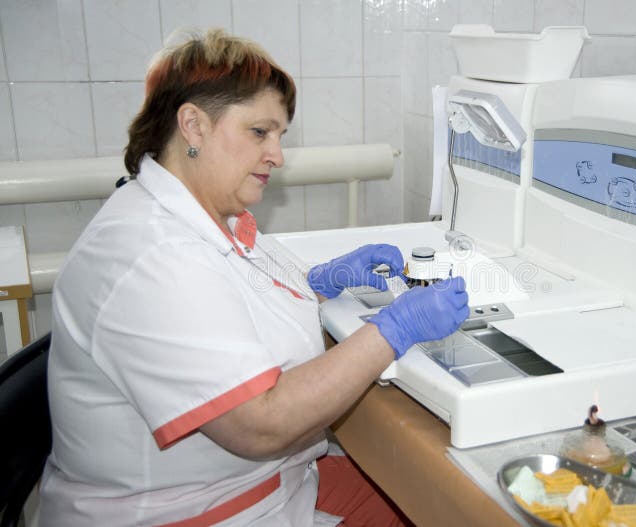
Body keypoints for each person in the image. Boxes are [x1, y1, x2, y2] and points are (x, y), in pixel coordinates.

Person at [39, 29, 468, 527]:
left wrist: (318, 284)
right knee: (444, 502)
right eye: (260, 132)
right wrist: (394, 330)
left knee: (425, 498)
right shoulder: (150, 254)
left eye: (279, 136)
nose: (277, 156)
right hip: (189, 514)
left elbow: (233, 300)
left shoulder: (203, 216)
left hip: (262, 486)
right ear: (193, 127)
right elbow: (262, 425)